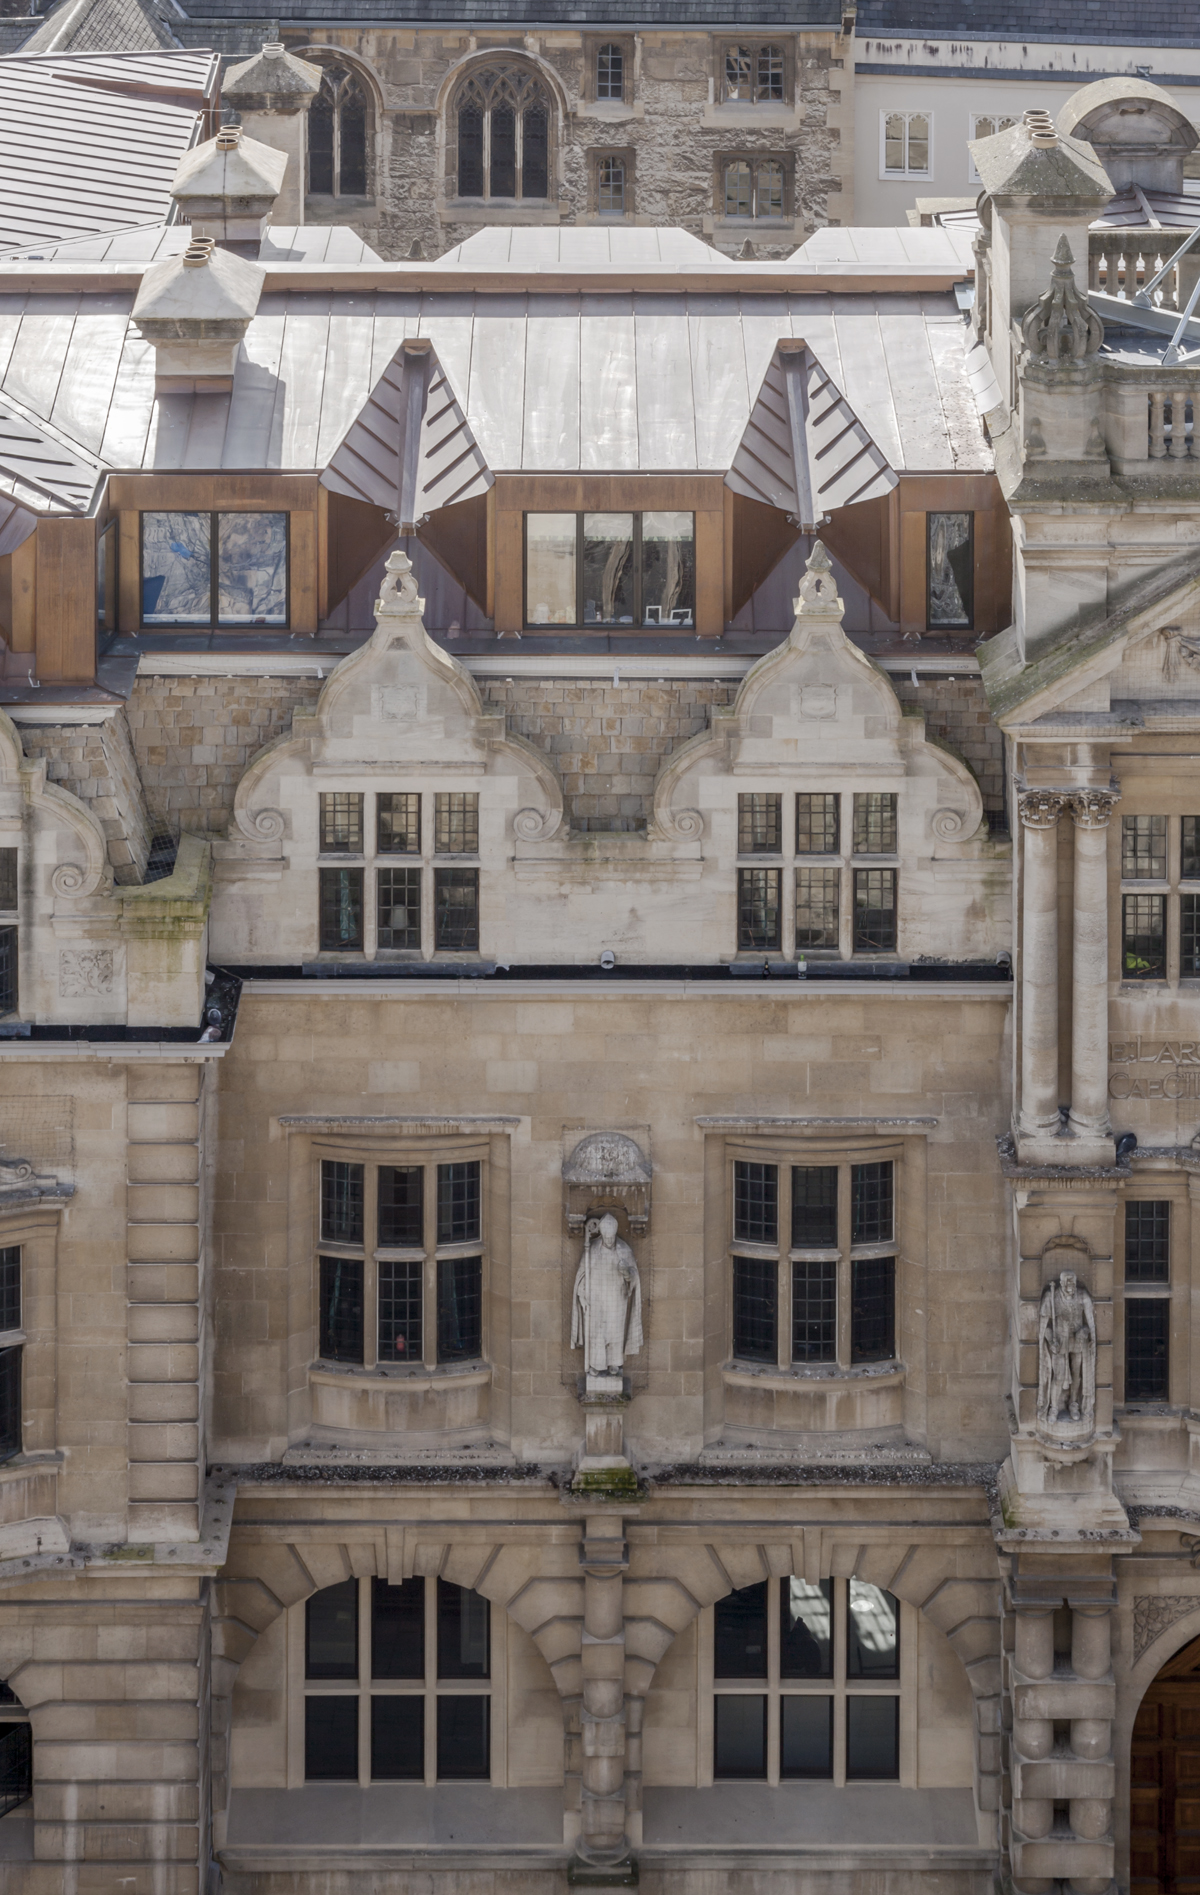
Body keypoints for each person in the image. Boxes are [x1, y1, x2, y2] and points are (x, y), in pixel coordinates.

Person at [571, 1212, 643, 1377]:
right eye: (606, 1238)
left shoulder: (624, 1249)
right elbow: (582, 1276)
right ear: (602, 1234)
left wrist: (627, 1273)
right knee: (597, 1333)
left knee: (614, 1331)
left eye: (611, 1238)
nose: (609, 1241)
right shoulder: (592, 1249)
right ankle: (596, 1364)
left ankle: (614, 1363)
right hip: (596, 1299)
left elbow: (634, 1276)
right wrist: (582, 1296)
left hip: (617, 1299)